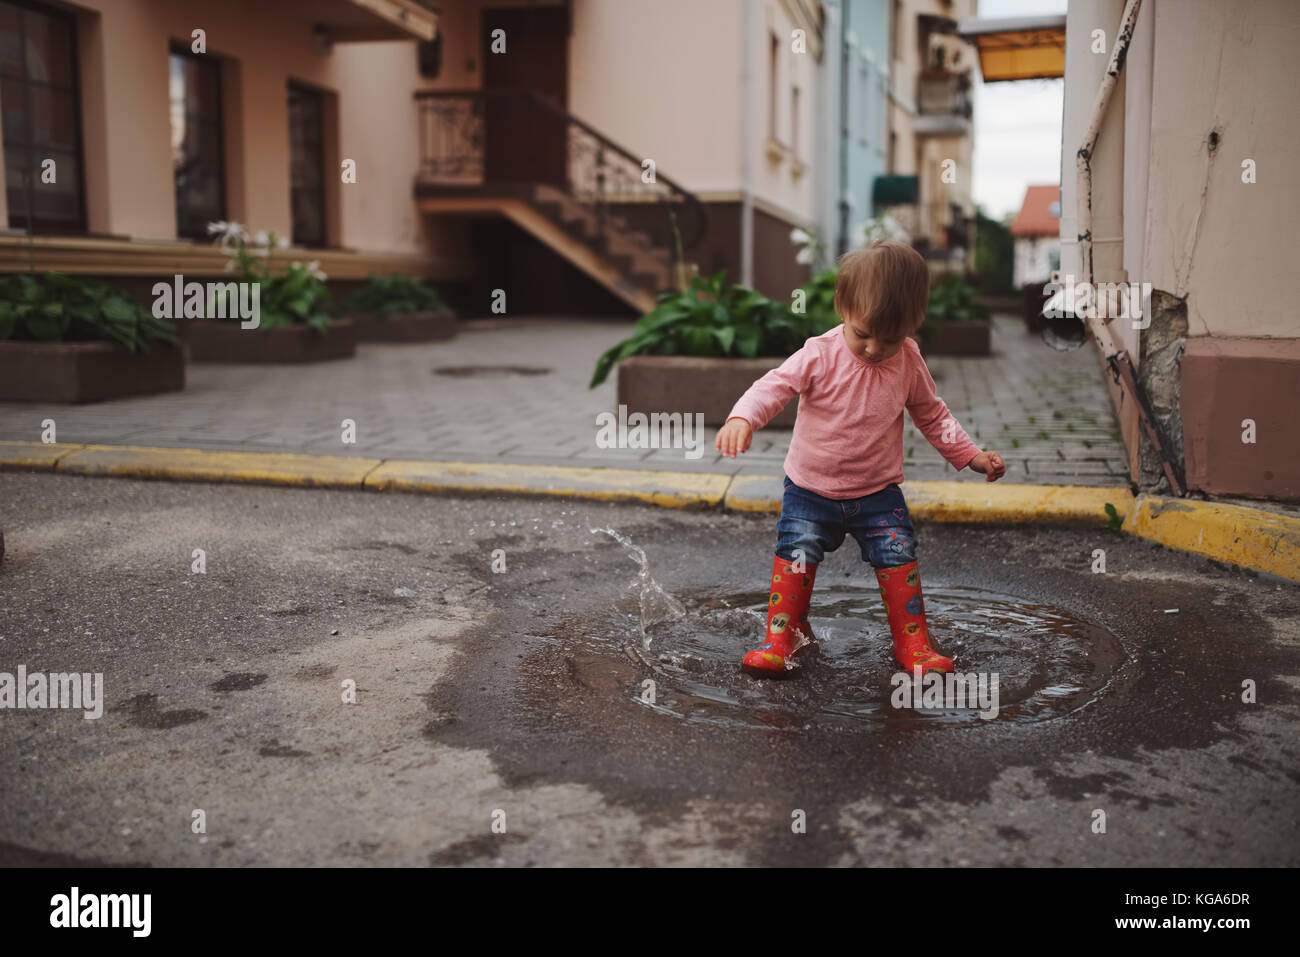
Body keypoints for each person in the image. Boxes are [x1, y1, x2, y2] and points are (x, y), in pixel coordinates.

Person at [715, 241, 1007, 676]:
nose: (873, 348)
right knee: (797, 553)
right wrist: (743, 417)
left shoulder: (908, 360)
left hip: (877, 493)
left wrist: (971, 456)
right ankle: (781, 639)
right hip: (810, 489)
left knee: (898, 554)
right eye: (862, 334)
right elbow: (773, 387)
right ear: (842, 307)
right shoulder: (820, 352)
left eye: (889, 338)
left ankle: (914, 645)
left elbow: (932, 412)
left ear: (913, 324)